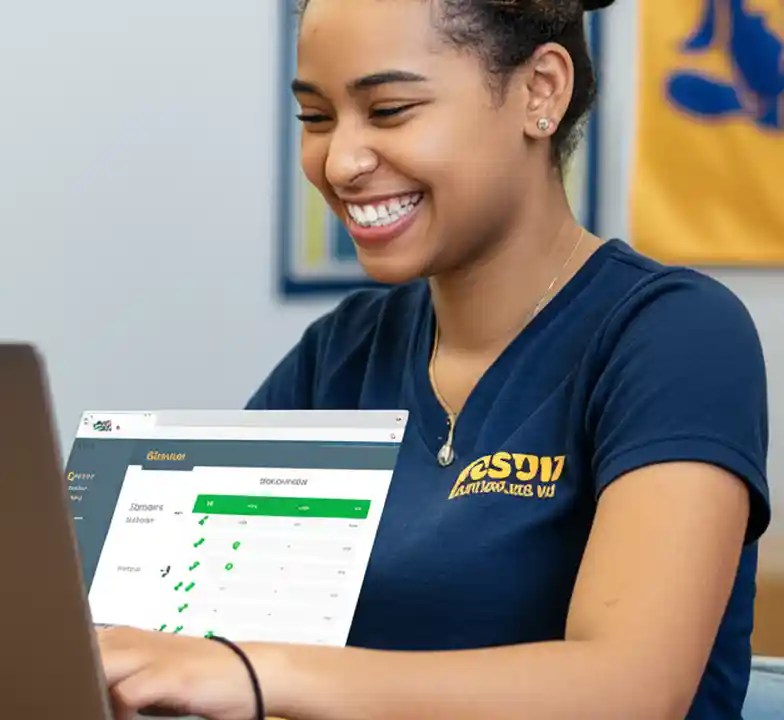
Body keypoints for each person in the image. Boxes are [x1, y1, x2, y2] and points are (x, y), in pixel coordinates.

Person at [95, 0, 771, 718]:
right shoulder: (340, 354)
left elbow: (630, 690)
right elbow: (171, 633)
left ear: (541, 90)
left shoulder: (673, 335)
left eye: (388, 110)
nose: (341, 162)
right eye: (315, 119)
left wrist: (256, 675)